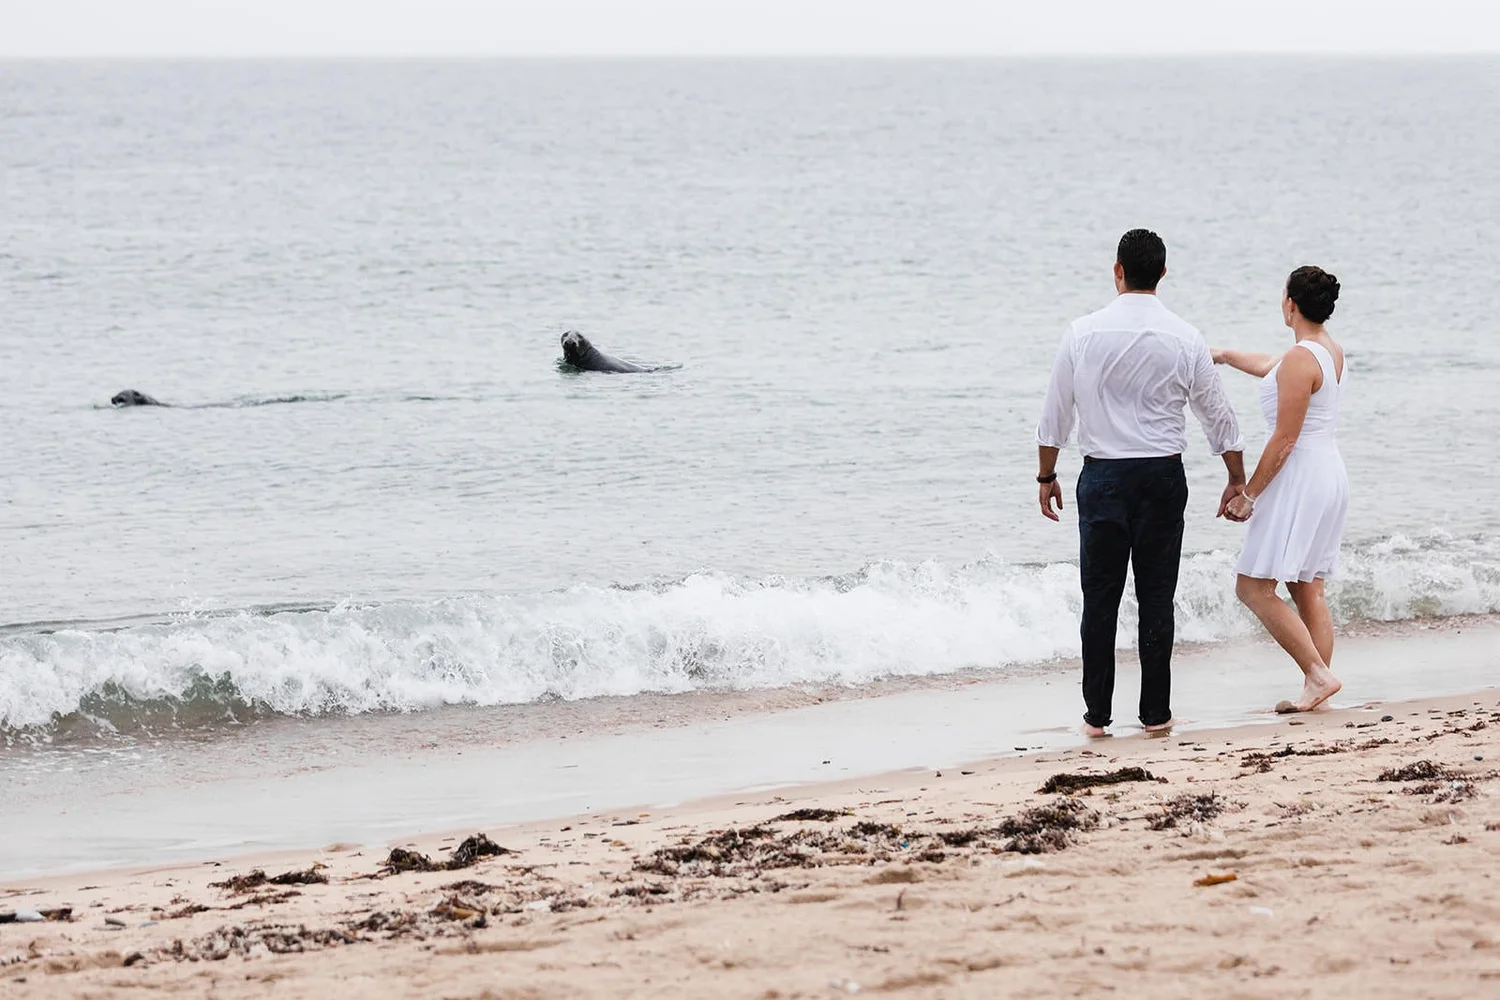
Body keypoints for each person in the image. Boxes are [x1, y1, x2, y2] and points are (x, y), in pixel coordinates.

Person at [1036, 229, 1245, 738]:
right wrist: (1236, 477)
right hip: (1161, 477)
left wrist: (1046, 475)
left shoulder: (1082, 332)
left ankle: (1097, 717)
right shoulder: (1185, 336)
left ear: (1117, 270)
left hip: (1103, 477)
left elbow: (1055, 413)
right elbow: (1216, 415)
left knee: (1100, 598)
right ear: (1163, 275)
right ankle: (1155, 714)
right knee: (1156, 596)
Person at [1215, 266, 1348, 713]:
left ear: (1290, 303)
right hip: (1327, 471)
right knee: (1307, 585)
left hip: (1301, 476)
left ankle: (1316, 674)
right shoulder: (1327, 350)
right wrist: (1223, 355)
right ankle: (1317, 685)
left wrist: (1248, 493)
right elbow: (1270, 367)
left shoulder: (1299, 359)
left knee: (1252, 587)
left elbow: (1285, 438)